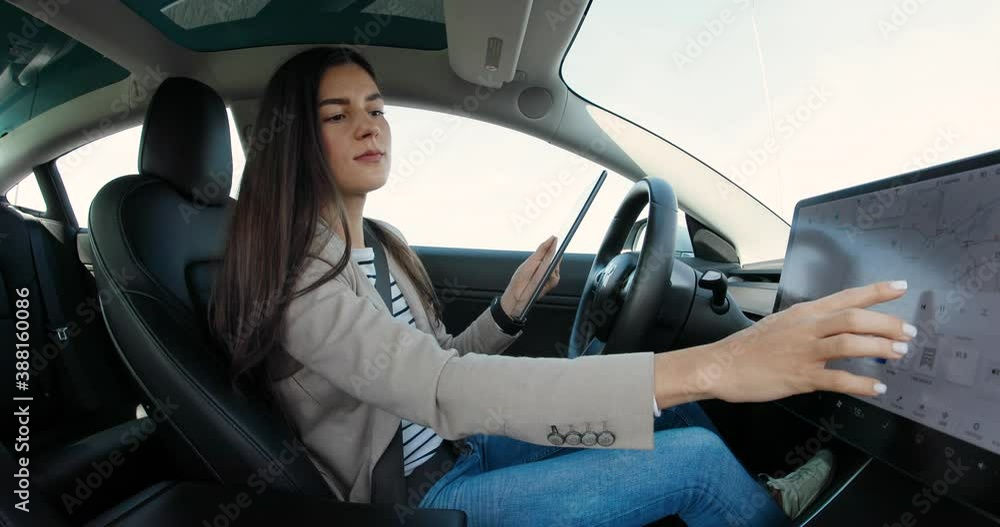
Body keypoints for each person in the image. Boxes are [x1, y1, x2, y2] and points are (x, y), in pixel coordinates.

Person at [210, 47, 915, 526]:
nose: (370, 125)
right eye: (338, 115)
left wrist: (508, 310)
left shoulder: (377, 244)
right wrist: (719, 361)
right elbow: (442, 387)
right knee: (696, 460)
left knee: (666, 414)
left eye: (376, 106)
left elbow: (424, 364)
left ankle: (751, 500)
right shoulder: (301, 281)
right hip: (424, 496)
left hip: (464, 444)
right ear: (298, 137)